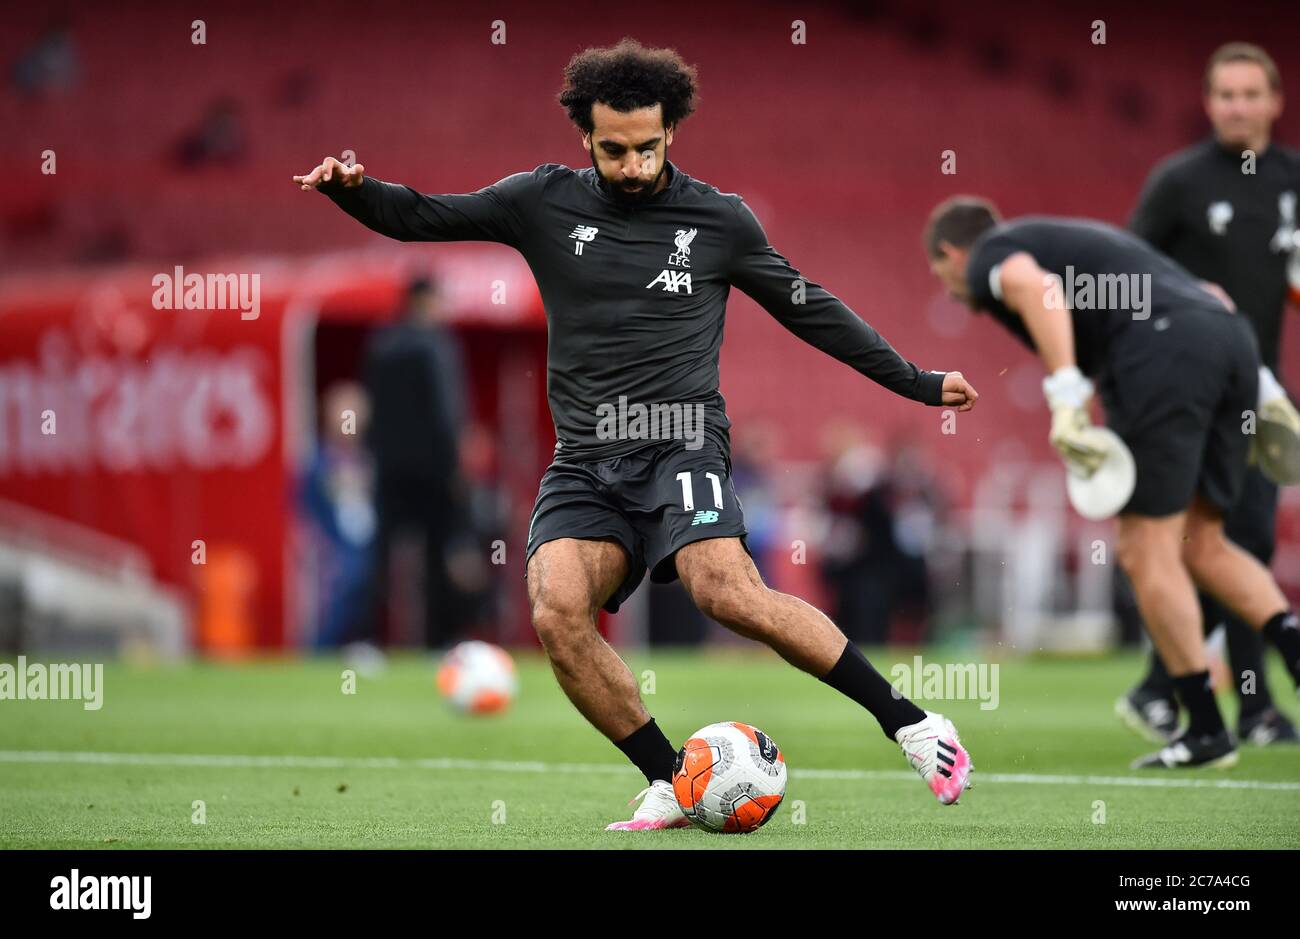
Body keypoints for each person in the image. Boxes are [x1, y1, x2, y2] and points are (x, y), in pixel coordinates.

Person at [295, 39, 979, 828]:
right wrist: (354, 191)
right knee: (556, 610)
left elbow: (809, 306)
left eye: (647, 148)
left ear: (672, 135)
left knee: (724, 589)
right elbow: (422, 215)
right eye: (613, 149)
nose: (630, 164)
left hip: (681, 440)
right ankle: (672, 777)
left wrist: (918, 382)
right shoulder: (540, 201)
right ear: (585, 137)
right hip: (586, 459)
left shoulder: (719, 220)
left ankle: (915, 723)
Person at [923, 198, 1300, 768]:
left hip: (1163, 353)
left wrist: (1067, 393)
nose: (952, 290)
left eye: (942, 274)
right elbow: (1214, 299)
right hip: (1231, 346)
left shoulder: (992, 253)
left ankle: (1203, 728)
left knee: (1144, 548)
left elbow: (1040, 291)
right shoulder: (1083, 239)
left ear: (952, 252)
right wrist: (1265, 389)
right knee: (1205, 543)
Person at [1122, 42, 1300, 746]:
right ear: (1208, 102)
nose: (1237, 106)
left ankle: (1190, 693)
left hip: (1262, 385)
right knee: (1209, 540)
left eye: (1250, 94)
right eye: (1225, 94)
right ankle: (1223, 700)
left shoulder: (1293, 178)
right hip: (1190, 392)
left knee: (1245, 537)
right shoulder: (1180, 181)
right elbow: (1127, 275)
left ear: (1275, 102)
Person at [361, 276, 471, 649]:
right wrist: (455, 464)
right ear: (423, 301)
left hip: (389, 468)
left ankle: (369, 641)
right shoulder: (438, 347)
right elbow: (447, 412)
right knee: (438, 553)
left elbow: (370, 409)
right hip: (434, 470)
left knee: (381, 556)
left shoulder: (381, 344)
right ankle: (438, 643)